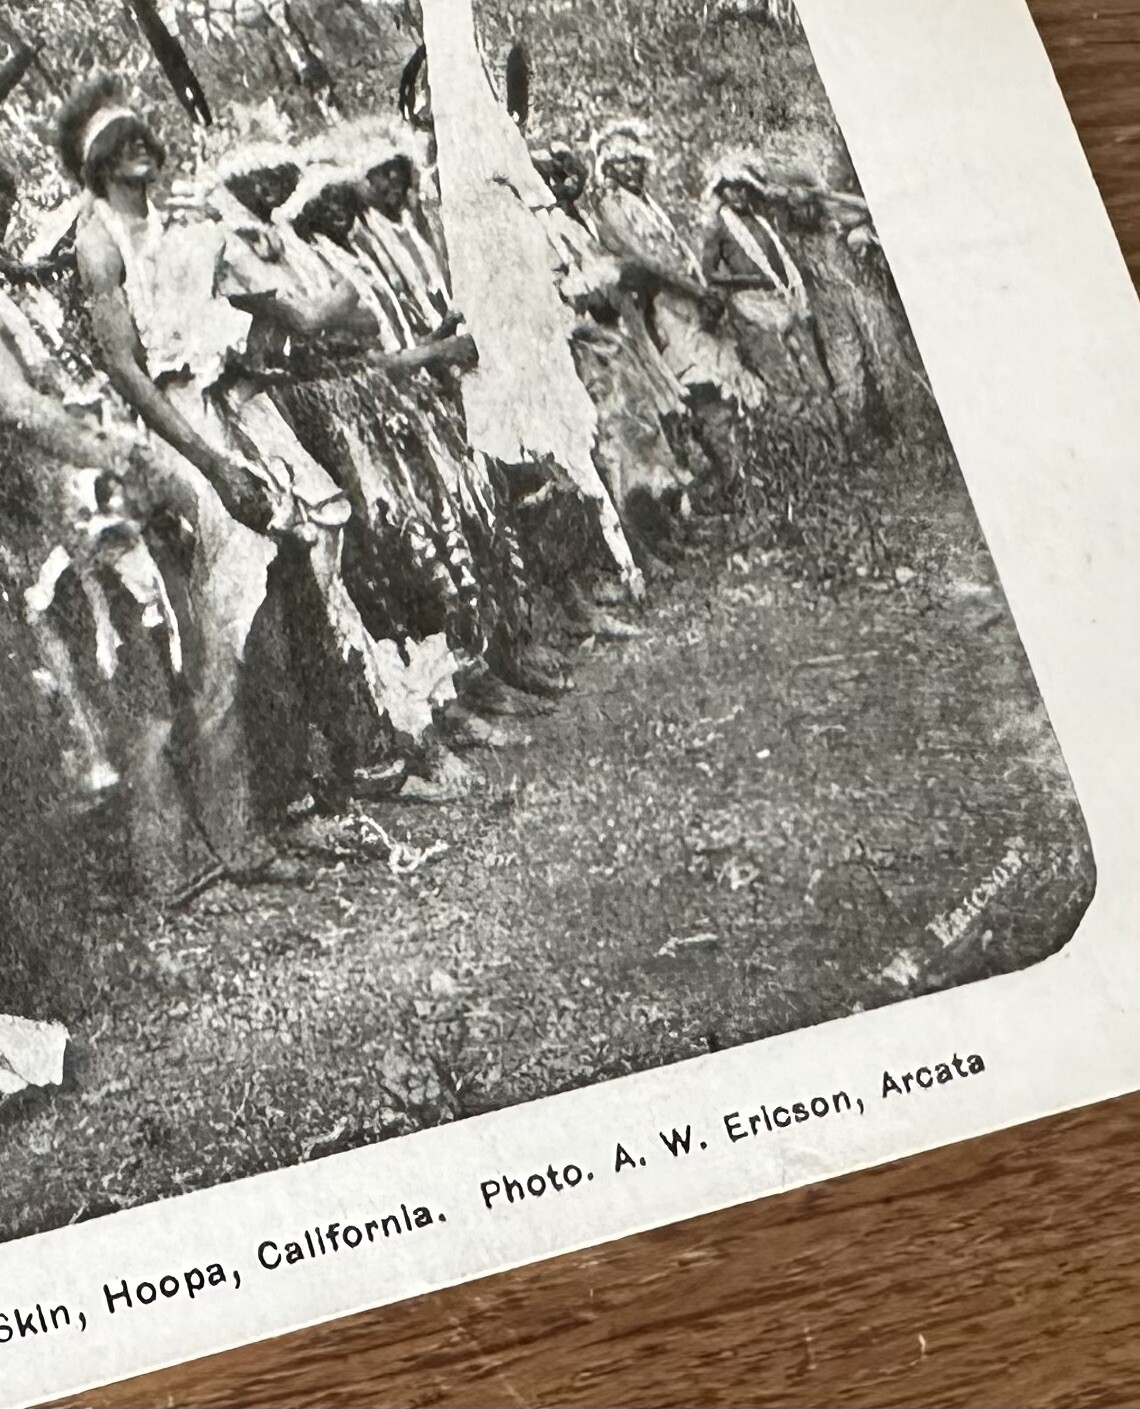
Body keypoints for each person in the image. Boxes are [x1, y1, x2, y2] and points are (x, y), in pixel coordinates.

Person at [57, 75, 423, 852]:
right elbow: (128, 369)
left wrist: (305, 318)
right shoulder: (98, 242)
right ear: (94, 163)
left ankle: (346, 762)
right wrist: (209, 463)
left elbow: (264, 308)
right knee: (239, 598)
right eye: (120, 145)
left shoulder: (181, 223)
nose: (140, 150)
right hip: (183, 421)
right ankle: (272, 809)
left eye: (142, 134)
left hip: (240, 399)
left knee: (309, 557)